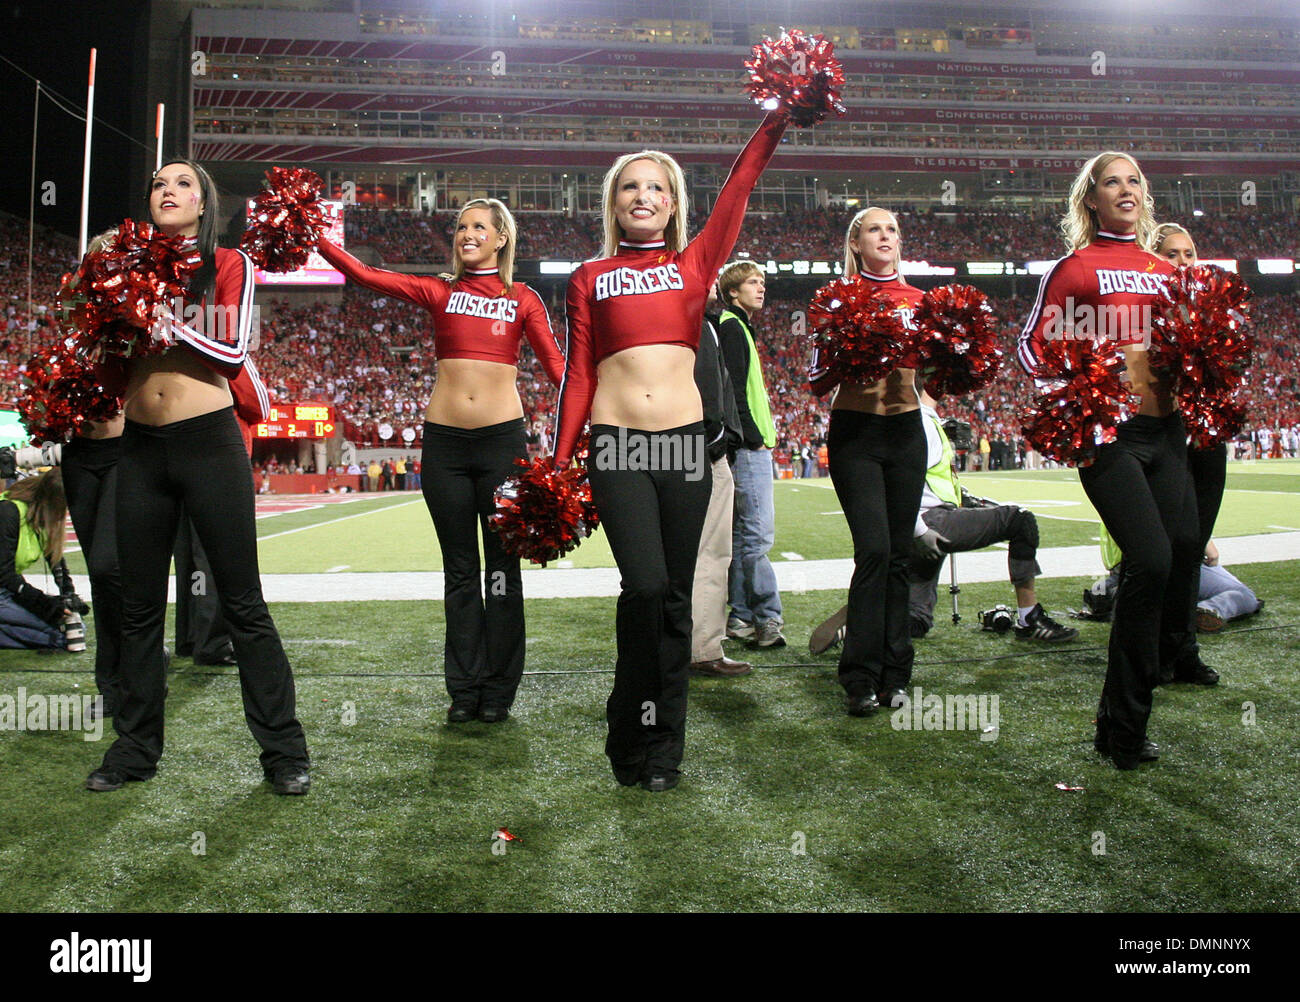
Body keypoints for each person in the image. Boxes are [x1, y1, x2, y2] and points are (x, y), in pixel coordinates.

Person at [552, 109, 788, 790]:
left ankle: (663, 752)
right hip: (618, 445)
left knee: (677, 598)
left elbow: (742, 183)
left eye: (656, 188)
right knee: (645, 586)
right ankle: (627, 724)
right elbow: (580, 375)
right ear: (614, 203)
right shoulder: (589, 275)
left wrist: (776, 120)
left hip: (685, 447)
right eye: (630, 187)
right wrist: (560, 457)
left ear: (674, 203)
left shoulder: (698, 261)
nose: (643, 197)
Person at [87, 159, 310, 794]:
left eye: (184, 183)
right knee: (137, 609)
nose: (168, 190)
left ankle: (283, 753)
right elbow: (111, 369)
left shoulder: (228, 263)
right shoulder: (121, 269)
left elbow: (233, 351)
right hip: (141, 448)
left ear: (204, 203)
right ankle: (133, 752)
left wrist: (157, 315)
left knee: (243, 602)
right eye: (158, 182)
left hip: (208, 444)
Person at [315, 197, 565, 723]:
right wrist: (313, 238)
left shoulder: (522, 298)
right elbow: (365, 274)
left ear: (501, 238)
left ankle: (499, 689)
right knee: (458, 570)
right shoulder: (438, 290)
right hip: (446, 446)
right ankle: (465, 689)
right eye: (461, 226)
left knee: (501, 570)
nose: (466, 233)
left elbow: (557, 368)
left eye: (479, 226)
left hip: (502, 446)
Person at [1017, 151, 1193, 771]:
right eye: (1111, 181)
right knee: (1149, 557)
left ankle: (1119, 718)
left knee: (1173, 562)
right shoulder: (1076, 267)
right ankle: (1124, 726)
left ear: (1146, 195)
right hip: (1111, 437)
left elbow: (1193, 344)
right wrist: (1080, 377)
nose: (1126, 188)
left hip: (1167, 432)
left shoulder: (1163, 269)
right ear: (1090, 199)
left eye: (1135, 180)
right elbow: (1031, 347)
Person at [807, 207, 927, 717]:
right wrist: (845, 340)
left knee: (900, 556)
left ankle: (896, 673)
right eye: (875, 228)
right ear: (856, 243)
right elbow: (816, 379)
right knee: (874, 550)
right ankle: (858, 674)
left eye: (893, 229)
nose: (886, 236)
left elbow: (942, 378)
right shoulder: (837, 300)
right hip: (857, 432)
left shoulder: (923, 302)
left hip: (907, 433)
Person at [1147, 221, 1222, 685]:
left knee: (1191, 548)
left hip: (1209, 436)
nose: (1183, 262)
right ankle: (1156, 651)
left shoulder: (1213, 310)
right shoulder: (1142, 311)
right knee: (1173, 546)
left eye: (1189, 253)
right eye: (1172, 254)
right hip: (1167, 437)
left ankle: (1182, 650)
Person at [716, 260, 785, 648]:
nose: (761, 288)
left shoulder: (737, 325)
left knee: (744, 537)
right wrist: (753, 436)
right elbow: (734, 391)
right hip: (747, 447)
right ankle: (767, 617)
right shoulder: (732, 326)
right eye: (752, 283)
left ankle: (740, 617)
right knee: (758, 537)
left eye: (762, 282)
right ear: (733, 292)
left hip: (746, 444)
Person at [688, 310, 751, 678]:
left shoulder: (705, 321)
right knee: (711, 551)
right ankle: (702, 648)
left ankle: (673, 645)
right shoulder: (698, 321)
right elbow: (708, 389)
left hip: (677, 447)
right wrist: (718, 439)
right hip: (701, 450)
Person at [0, 469, 81, 651]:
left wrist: (68, 594)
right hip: (4, 588)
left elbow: (55, 559)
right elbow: (4, 575)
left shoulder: (40, 514)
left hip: (7, 589)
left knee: (72, 629)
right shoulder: (9, 512)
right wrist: (44, 604)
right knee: (57, 638)